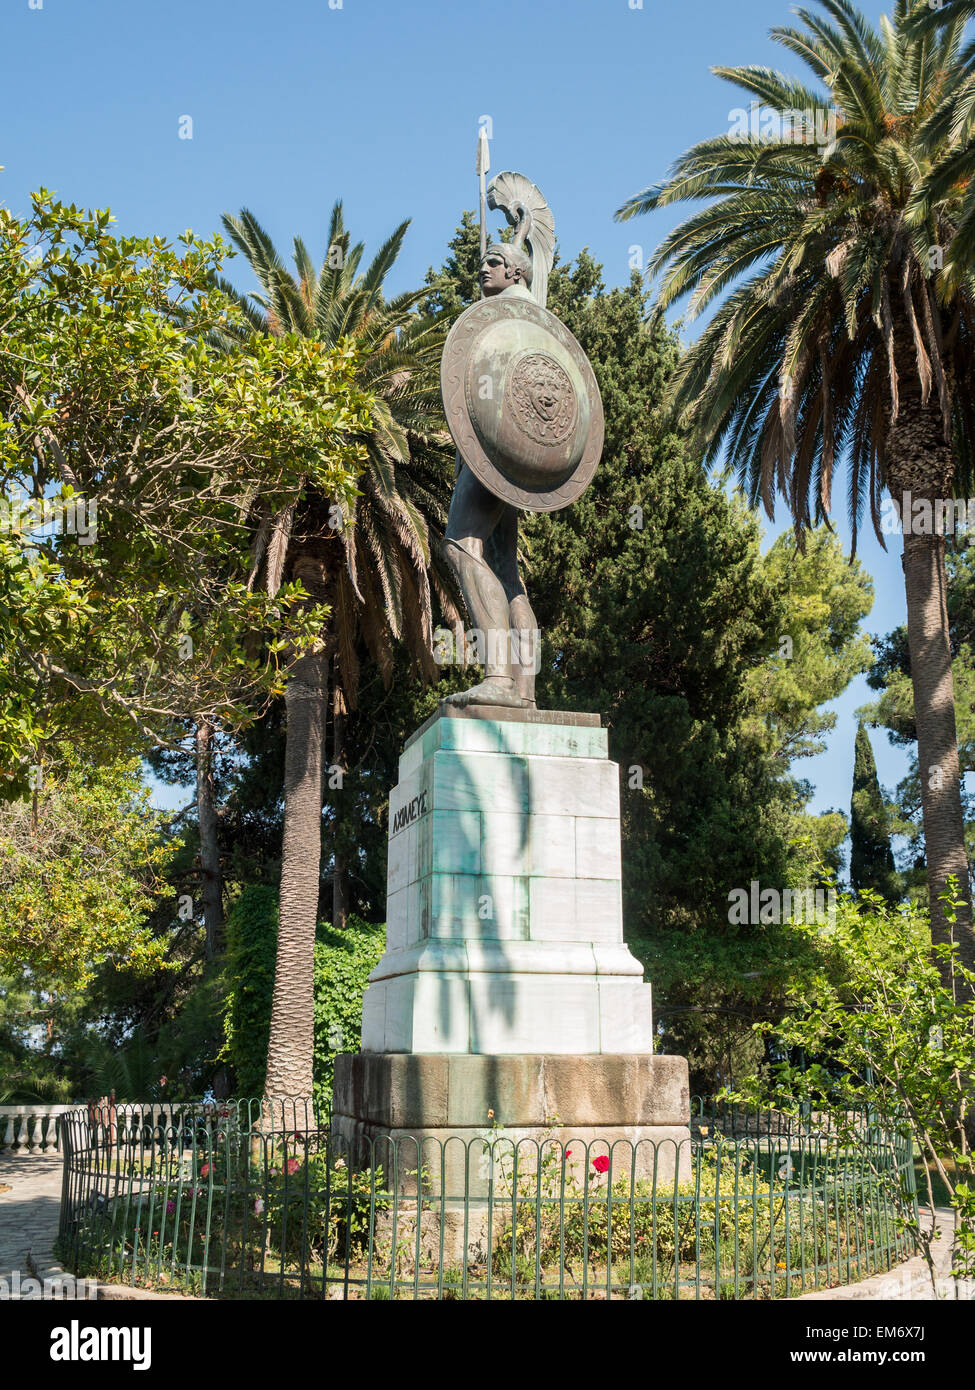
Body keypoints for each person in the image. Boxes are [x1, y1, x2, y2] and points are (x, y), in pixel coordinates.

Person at [443, 245, 540, 708]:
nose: (483, 267)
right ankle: (525, 691)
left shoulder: (501, 314)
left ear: (516, 269)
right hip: (522, 456)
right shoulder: (534, 312)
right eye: (481, 260)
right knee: (506, 569)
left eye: (494, 261)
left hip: (495, 448)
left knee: (461, 544)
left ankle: (499, 677)